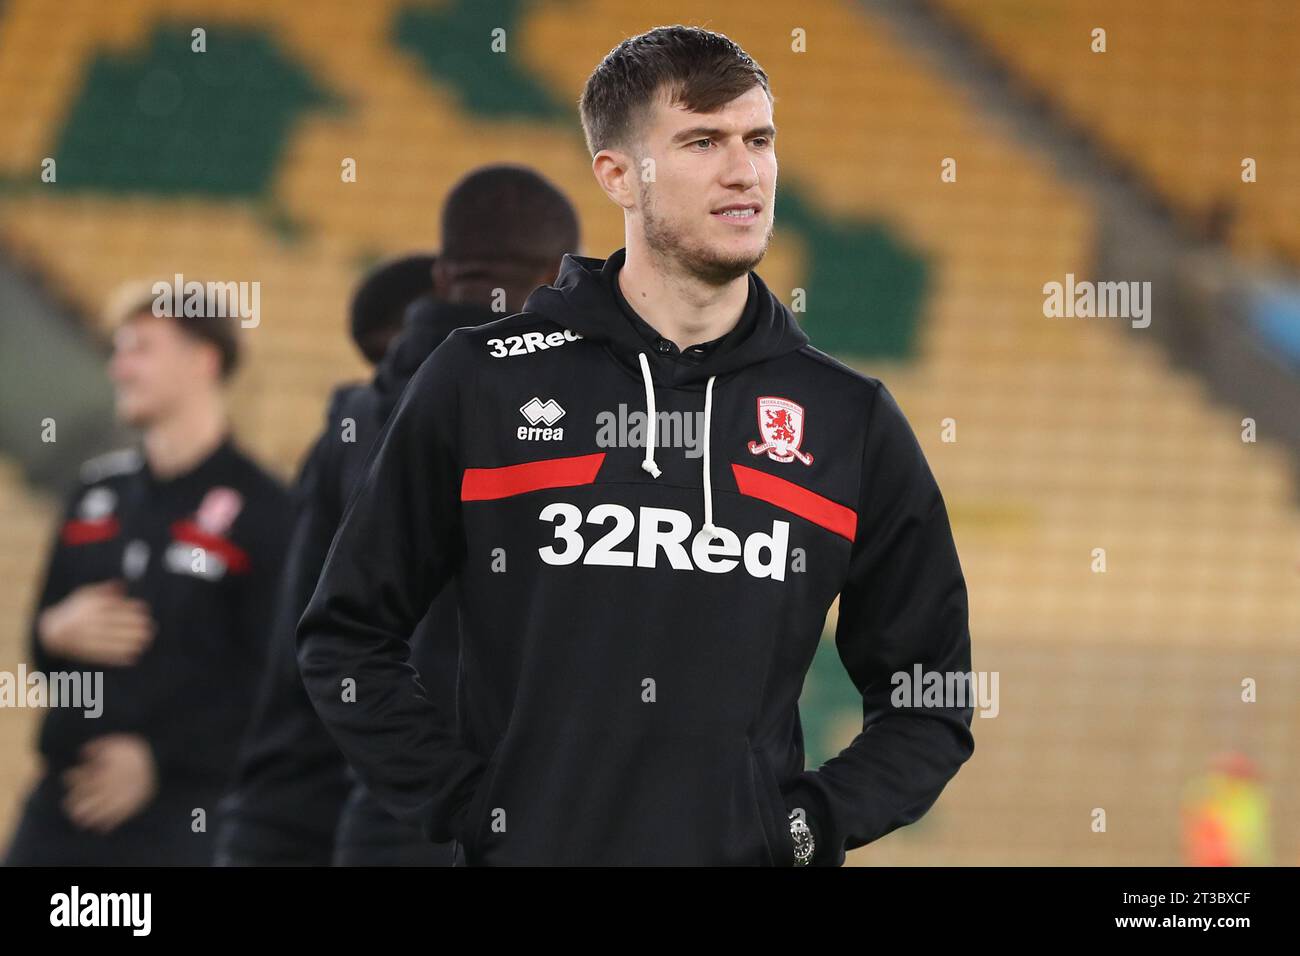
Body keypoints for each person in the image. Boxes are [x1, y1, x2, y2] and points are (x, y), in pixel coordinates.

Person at [299, 25, 974, 866]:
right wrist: (472, 805)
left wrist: (803, 826)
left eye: (758, 140)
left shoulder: (847, 416)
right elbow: (346, 635)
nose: (745, 171)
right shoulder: (482, 381)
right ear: (617, 174)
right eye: (702, 141)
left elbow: (931, 693)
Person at [218, 165, 580, 866]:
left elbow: (305, 678)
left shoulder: (352, 433)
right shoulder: (613, 419)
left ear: (443, 277)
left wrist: (261, 843)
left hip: (384, 827)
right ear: (564, 278)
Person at [4, 283, 290, 865]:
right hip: (66, 802)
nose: (119, 367)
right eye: (117, 350)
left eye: (139, 349)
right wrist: (57, 629)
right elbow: (41, 637)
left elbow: (276, 681)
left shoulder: (267, 509)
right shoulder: (96, 493)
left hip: (189, 813)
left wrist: (157, 758)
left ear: (202, 359)